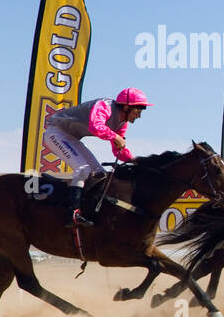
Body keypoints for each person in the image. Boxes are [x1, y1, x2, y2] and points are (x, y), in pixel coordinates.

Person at [42, 88, 151, 228]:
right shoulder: (104, 106)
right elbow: (96, 126)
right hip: (56, 134)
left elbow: (118, 150)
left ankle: (86, 209)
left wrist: (135, 161)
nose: (139, 116)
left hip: (72, 138)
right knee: (83, 169)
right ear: (126, 107)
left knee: (99, 173)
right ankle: (72, 213)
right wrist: (115, 136)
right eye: (137, 111)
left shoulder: (122, 124)